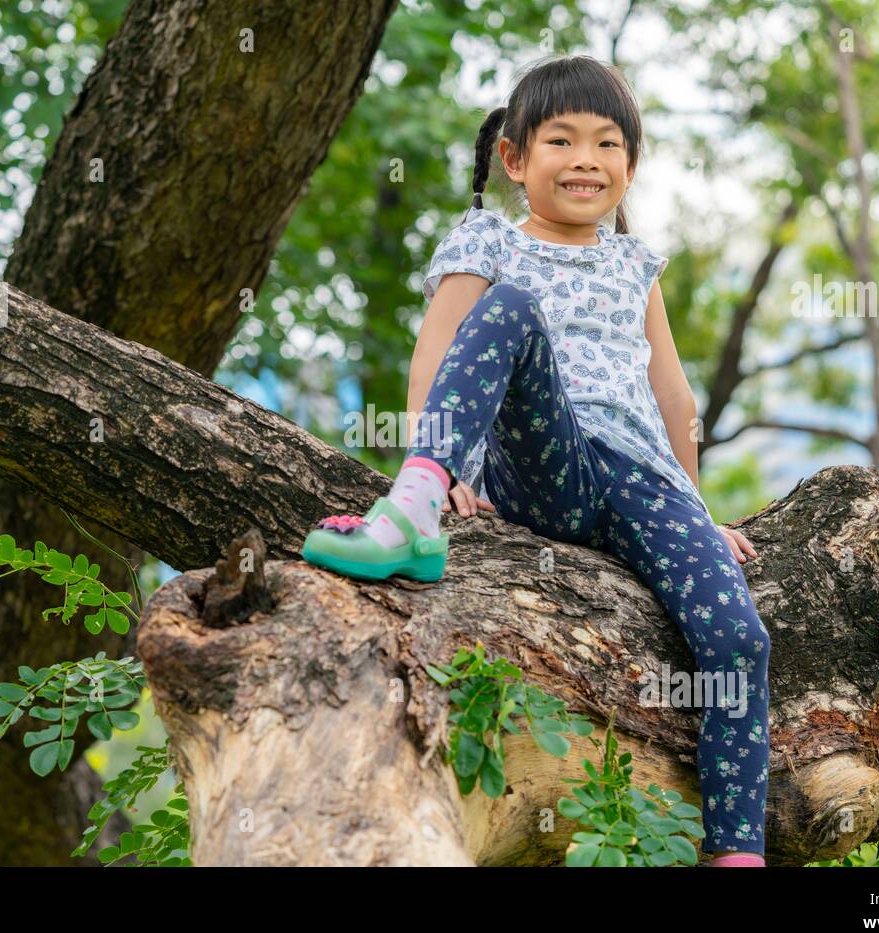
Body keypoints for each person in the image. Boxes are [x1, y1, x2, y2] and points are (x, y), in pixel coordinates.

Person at [301, 54, 770, 866]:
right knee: (513, 311)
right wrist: (446, 473)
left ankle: (736, 850)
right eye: (562, 140)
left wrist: (698, 512)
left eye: (607, 143)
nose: (586, 159)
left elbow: (674, 399)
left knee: (740, 639)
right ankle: (406, 514)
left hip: (643, 484)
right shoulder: (491, 243)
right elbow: (435, 360)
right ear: (515, 159)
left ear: (629, 164)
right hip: (543, 460)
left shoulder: (637, 264)